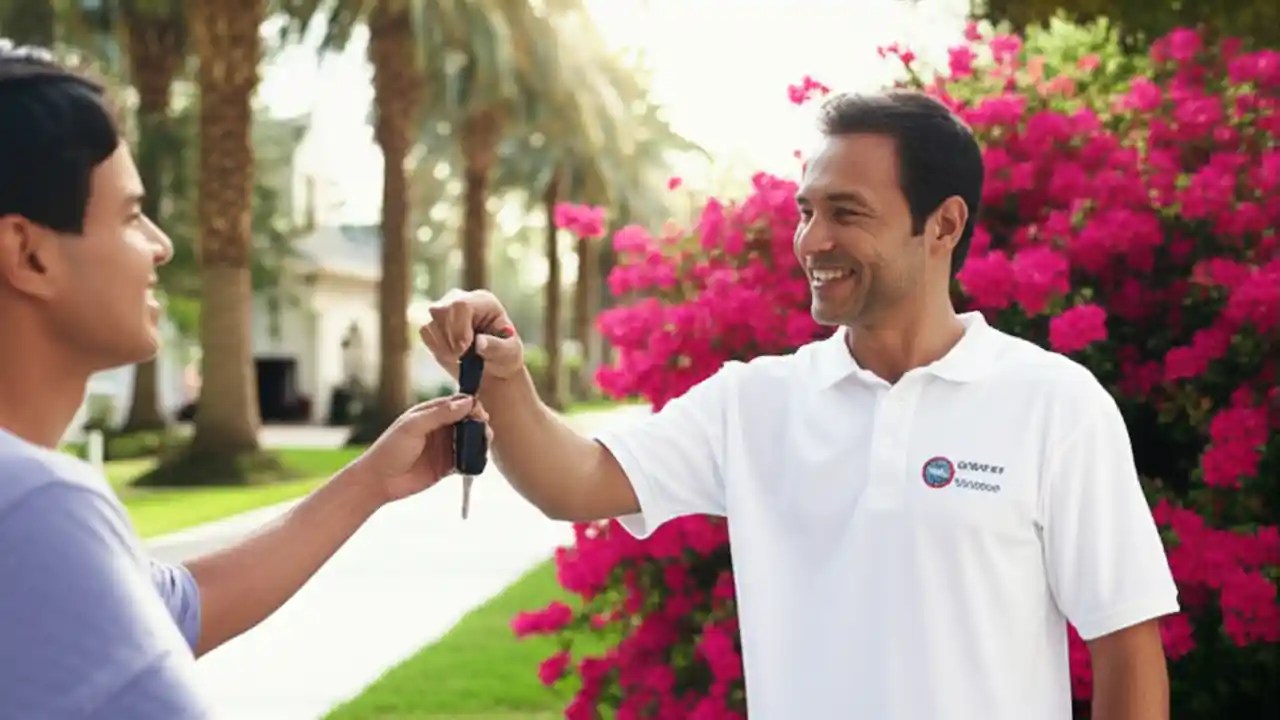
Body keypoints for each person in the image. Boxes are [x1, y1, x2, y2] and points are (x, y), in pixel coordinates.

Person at [422, 90, 1180, 719]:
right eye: (804, 210)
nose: (812, 240)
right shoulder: (753, 403)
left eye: (846, 213)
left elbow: (1126, 646)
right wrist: (505, 376)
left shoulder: (1054, 404)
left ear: (943, 224)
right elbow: (575, 480)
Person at [0, 43, 486, 717]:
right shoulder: (32, 503)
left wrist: (371, 481)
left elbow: (172, 608)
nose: (161, 244)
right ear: (27, 252)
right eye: (130, 214)